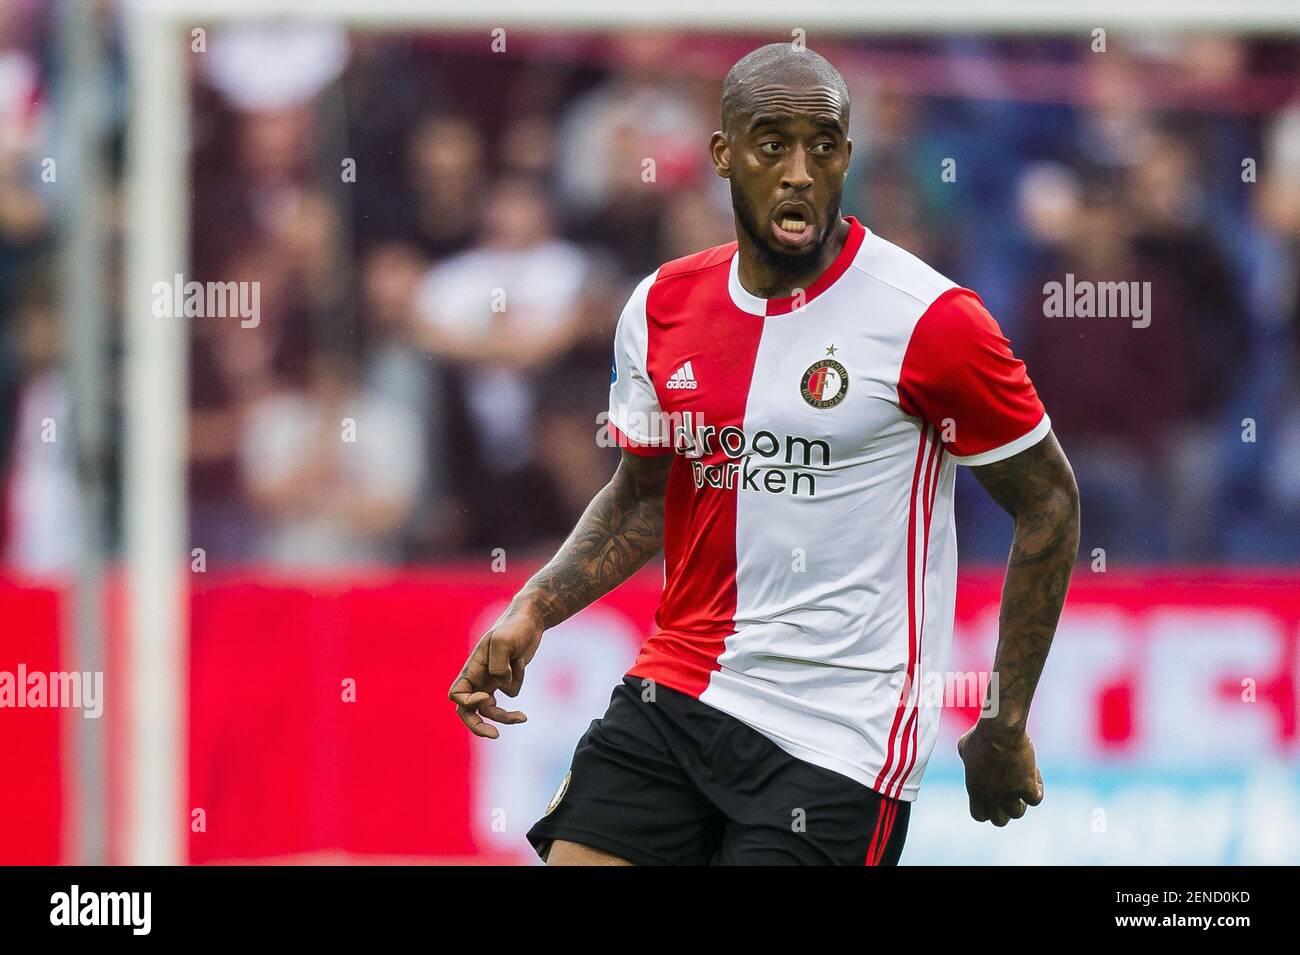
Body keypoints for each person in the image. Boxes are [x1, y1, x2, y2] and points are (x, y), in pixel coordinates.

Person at [448, 43, 1081, 866]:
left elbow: (1050, 502)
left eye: (822, 145)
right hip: (678, 690)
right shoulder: (661, 306)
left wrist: (1004, 721)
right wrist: (533, 607)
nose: (797, 171)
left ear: (847, 157)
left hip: (840, 739)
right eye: (771, 143)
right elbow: (643, 498)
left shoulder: (932, 320)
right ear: (723, 155)